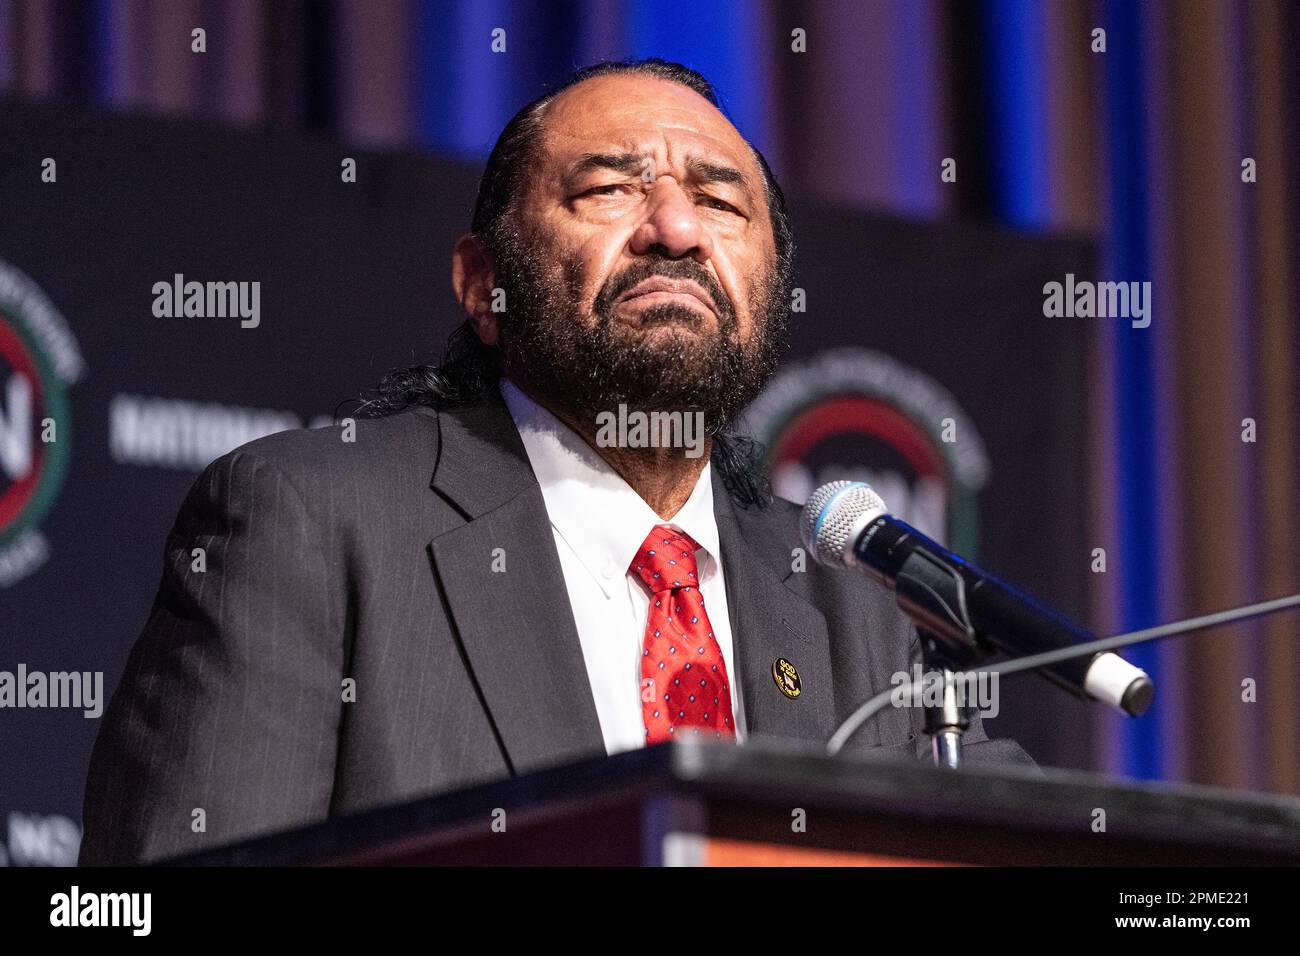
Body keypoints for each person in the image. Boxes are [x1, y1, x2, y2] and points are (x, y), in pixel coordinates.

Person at [80, 59, 1034, 866]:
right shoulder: (311, 522)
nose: (676, 229)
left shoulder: (858, 603)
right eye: (610, 189)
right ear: (482, 284)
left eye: (718, 201)